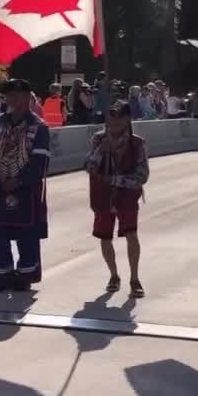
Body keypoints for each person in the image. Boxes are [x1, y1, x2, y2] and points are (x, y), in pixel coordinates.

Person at [0, 78, 51, 292]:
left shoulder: (38, 127)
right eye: (9, 95)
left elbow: (40, 163)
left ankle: (25, 275)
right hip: (0, 187)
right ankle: (4, 276)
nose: (12, 99)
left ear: (28, 98)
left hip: (26, 190)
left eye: (17, 95)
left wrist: (18, 181)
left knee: (27, 234)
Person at [85, 100, 149, 297]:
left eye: (119, 120)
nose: (114, 125)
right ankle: (114, 275)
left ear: (127, 120)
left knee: (131, 234)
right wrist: (100, 151)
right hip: (102, 196)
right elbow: (89, 166)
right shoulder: (98, 139)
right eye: (111, 120)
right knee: (105, 236)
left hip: (126, 197)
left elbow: (143, 175)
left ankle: (134, 279)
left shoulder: (137, 143)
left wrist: (119, 181)